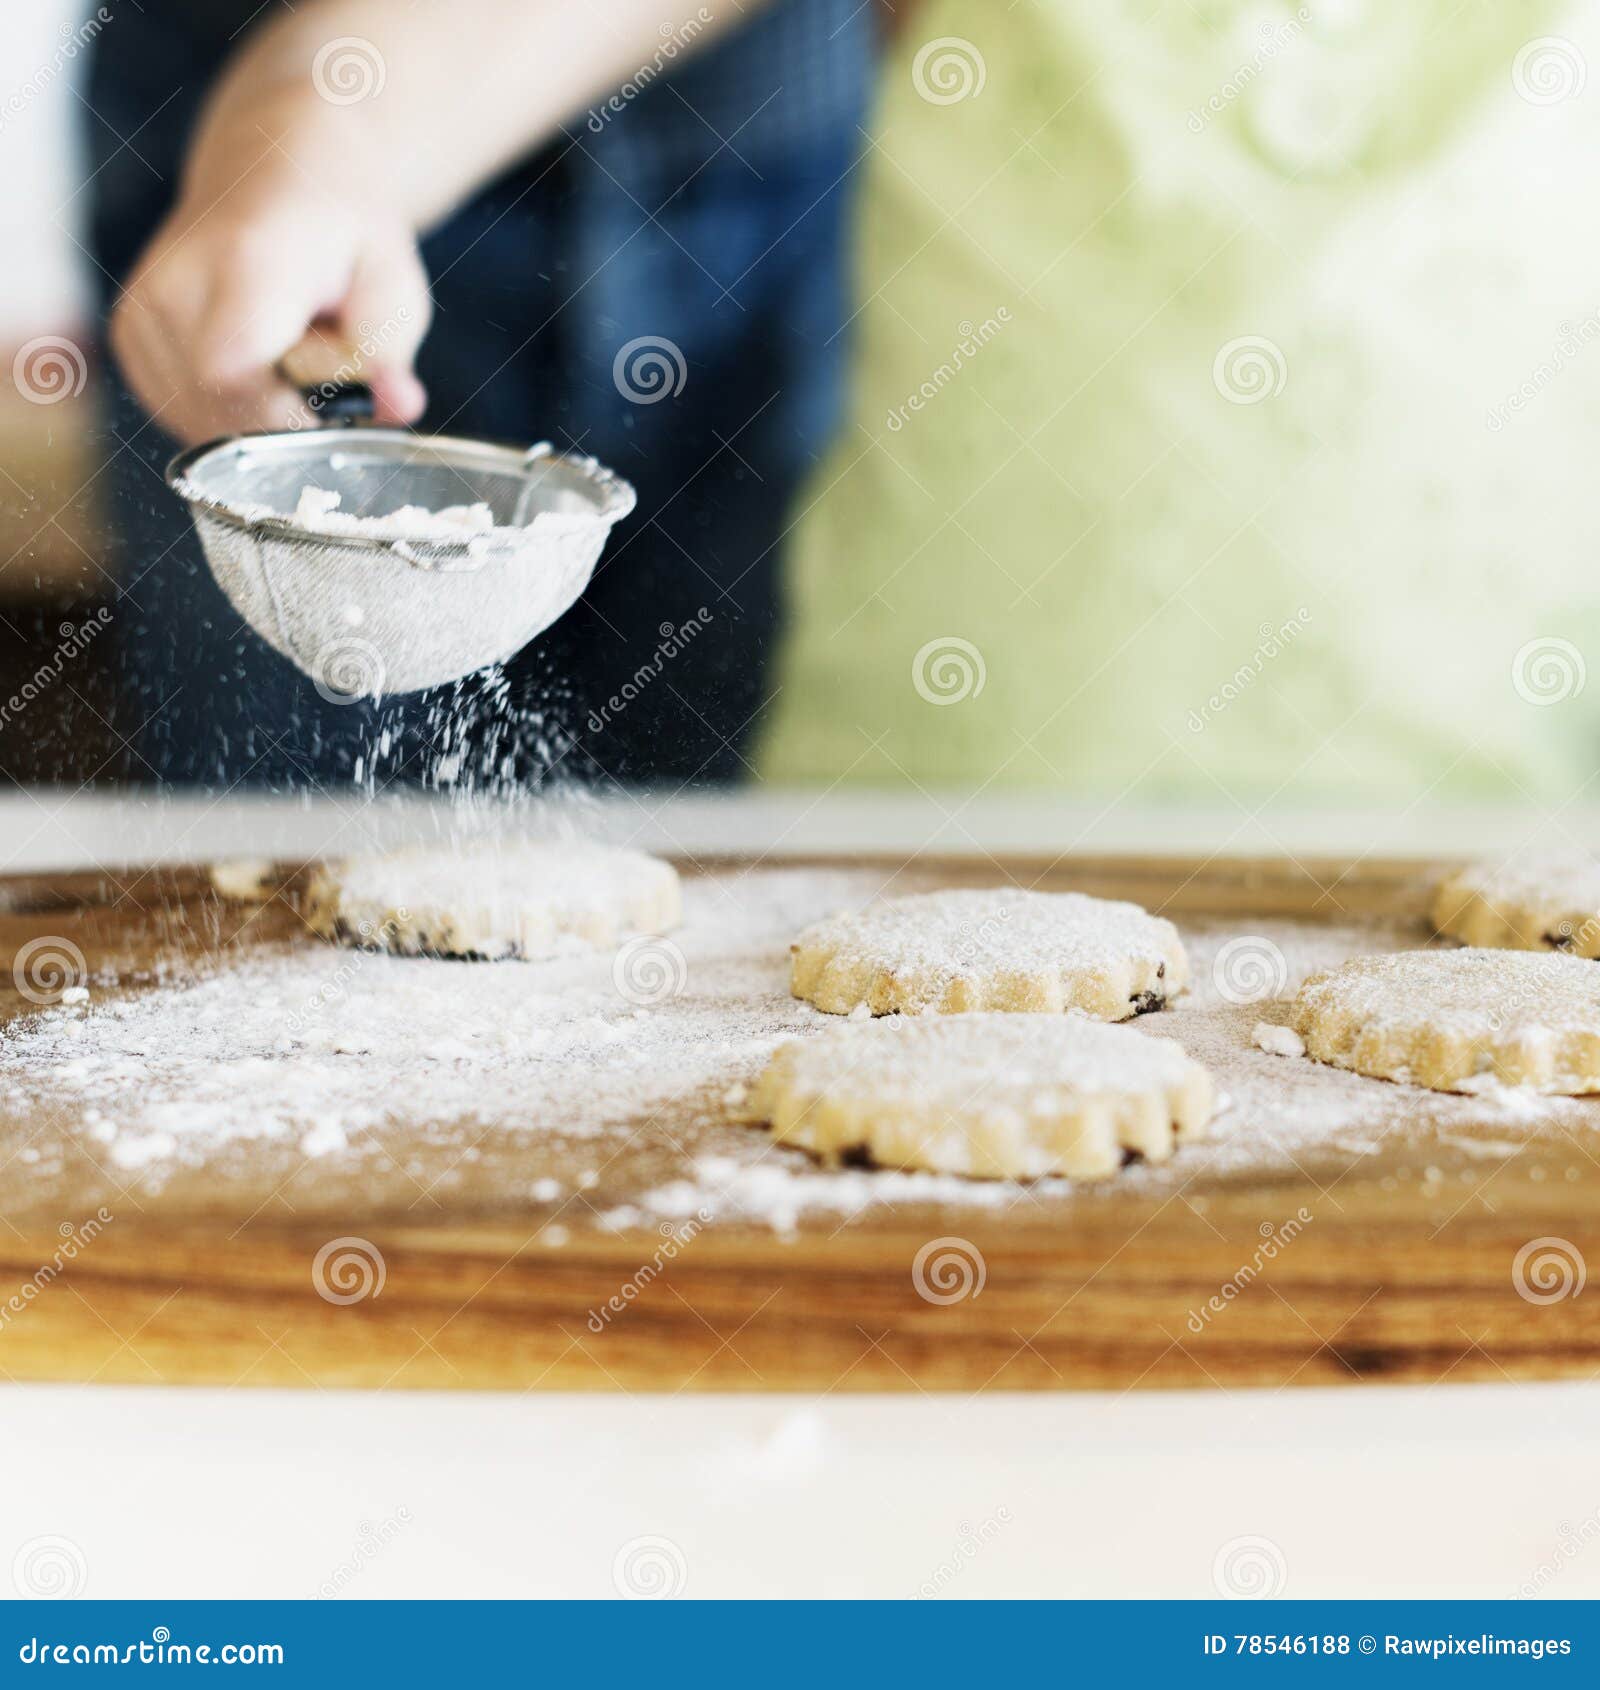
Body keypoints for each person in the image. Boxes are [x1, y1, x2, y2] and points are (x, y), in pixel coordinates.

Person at [91, 0, 877, 787]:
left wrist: (331, 103)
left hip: (749, 164)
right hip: (257, 191)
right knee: (273, 827)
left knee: (685, 807)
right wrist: (309, 120)